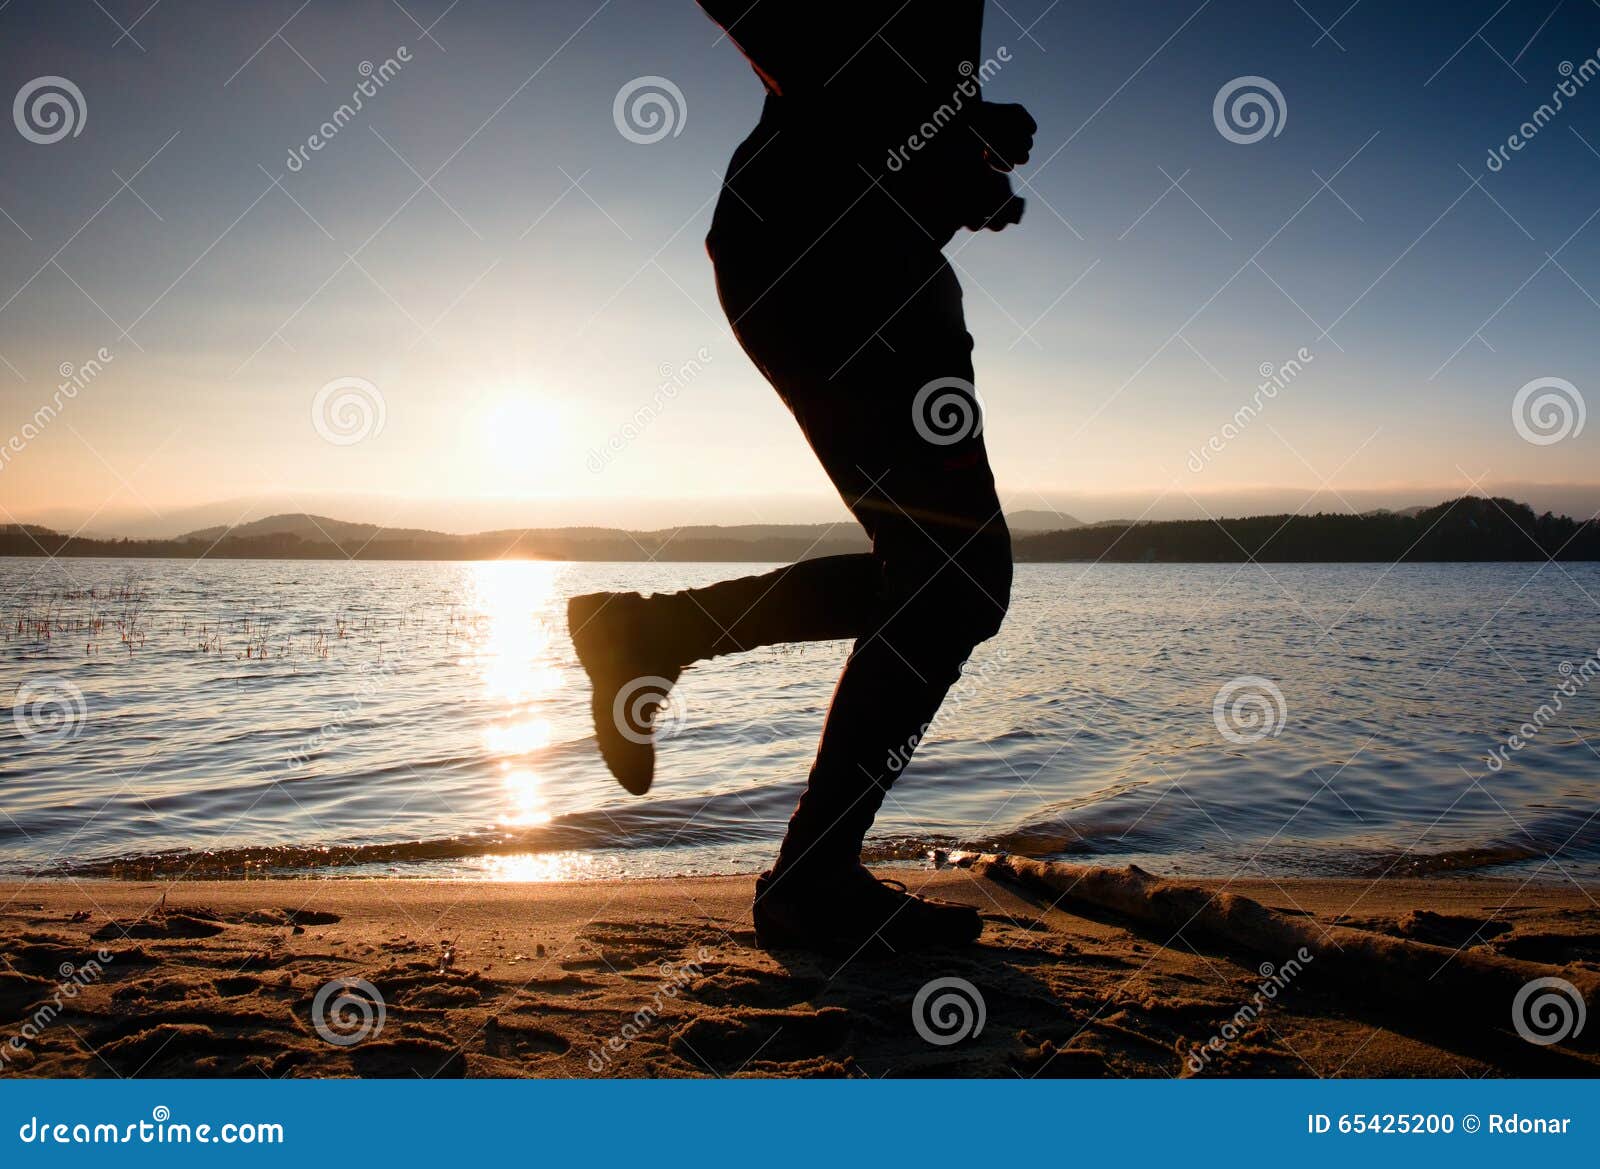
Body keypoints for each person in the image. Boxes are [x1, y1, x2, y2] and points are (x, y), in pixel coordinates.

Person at [569, 1, 1034, 953]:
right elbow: (818, 64)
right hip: (829, 260)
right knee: (955, 580)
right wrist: (932, 134)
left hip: (846, 256)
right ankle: (812, 875)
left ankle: (658, 633)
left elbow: (878, 94)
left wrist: (959, 164)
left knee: (939, 578)